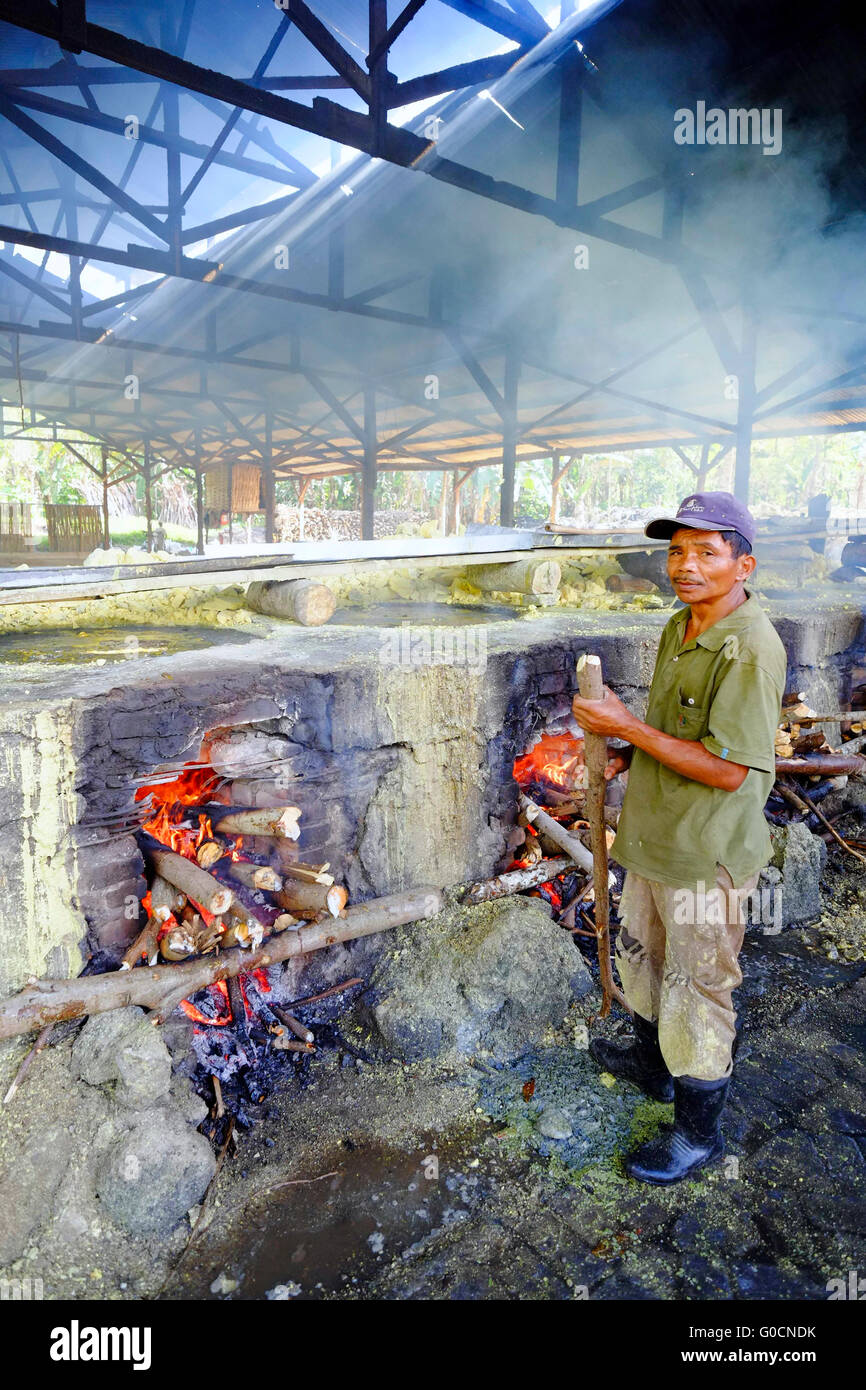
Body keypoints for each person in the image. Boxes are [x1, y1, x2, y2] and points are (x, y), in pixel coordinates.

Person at [572, 491, 786, 1185]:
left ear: (742, 563)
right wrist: (624, 748)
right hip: (653, 839)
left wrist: (627, 727)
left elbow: (728, 770)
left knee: (698, 985)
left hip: (705, 856)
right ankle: (651, 1068)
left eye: (705, 551)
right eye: (676, 551)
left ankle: (697, 1136)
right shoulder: (679, 627)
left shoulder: (751, 649)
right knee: (644, 960)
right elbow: (674, 737)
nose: (685, 565)